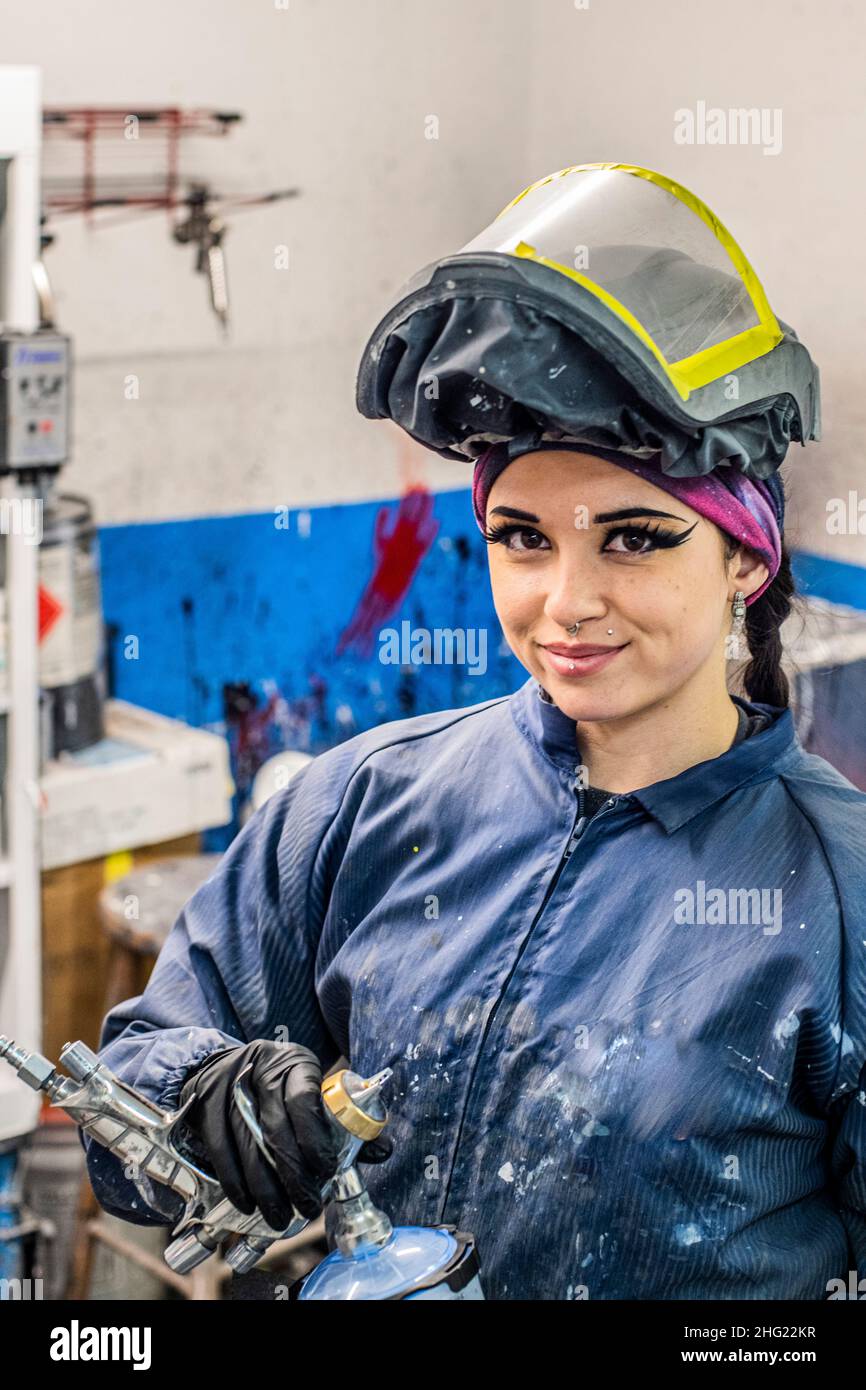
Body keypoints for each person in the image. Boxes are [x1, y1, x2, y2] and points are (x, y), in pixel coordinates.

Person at [84, 165, 866, 1300]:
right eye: (522, 537)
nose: (565, 601)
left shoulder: (836, 893)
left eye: (635, 539)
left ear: (744, 555)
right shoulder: (359, 804)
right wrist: (210, 1104)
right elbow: (130, 1100)